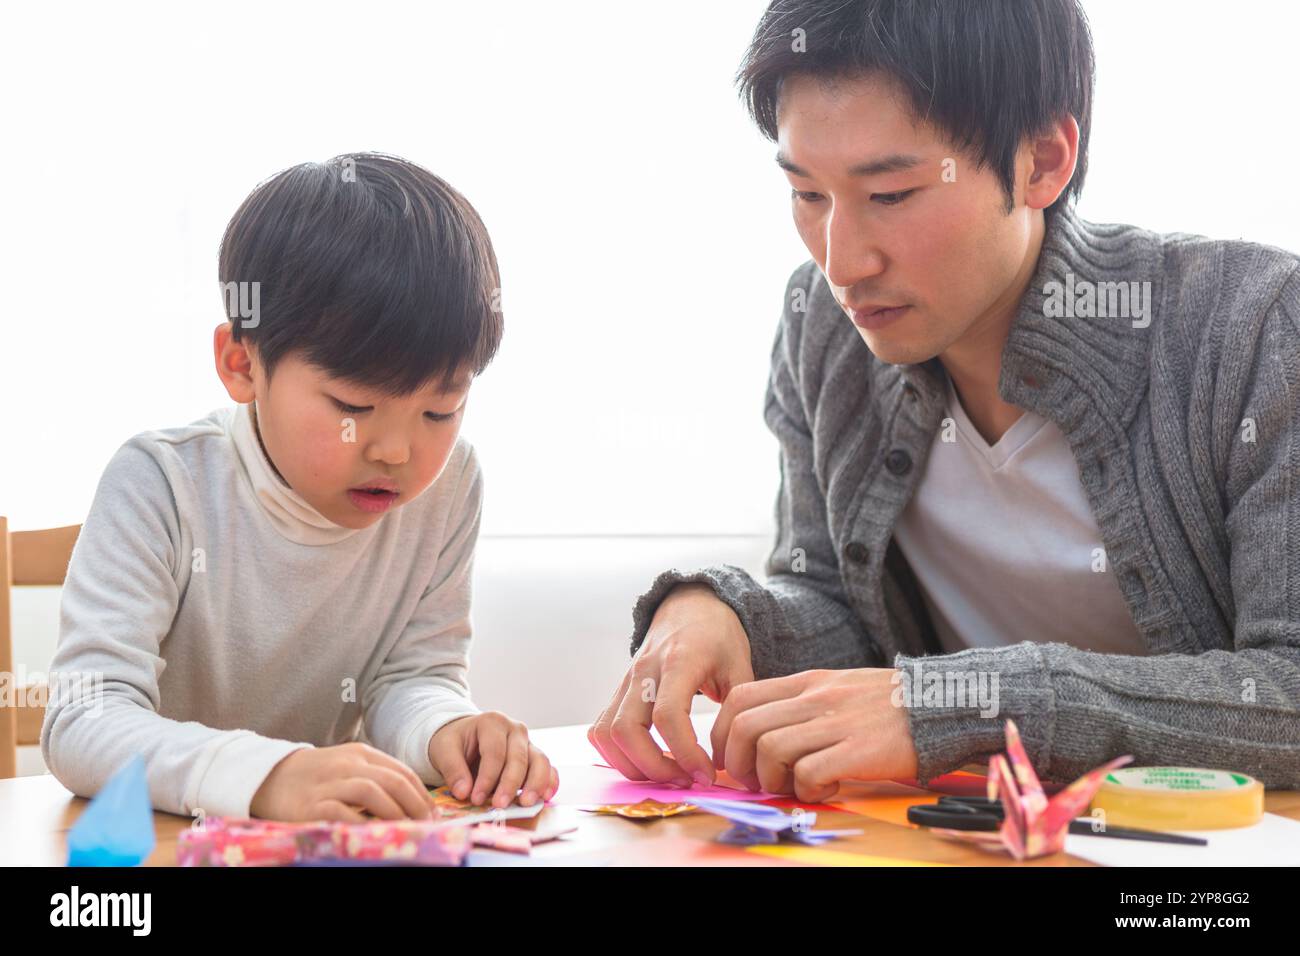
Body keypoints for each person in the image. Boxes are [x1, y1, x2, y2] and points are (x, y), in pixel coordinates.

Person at [591, 0, 1300, 802]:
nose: (843, 263)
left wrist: (959, 704)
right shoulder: (827, 331)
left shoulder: (1256, 325)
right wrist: (720, 610)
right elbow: (841, 609)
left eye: (890, 194)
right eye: (807, 193)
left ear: (1043, 160)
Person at [44, 153, 557, 821]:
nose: (397, 451)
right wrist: (265, 776)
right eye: (351, 406)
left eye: (441, 410)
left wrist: (445, 731)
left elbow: (412, 678)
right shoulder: (161, 483)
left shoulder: (450, 485)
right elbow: (83, 720)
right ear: (241, 364)